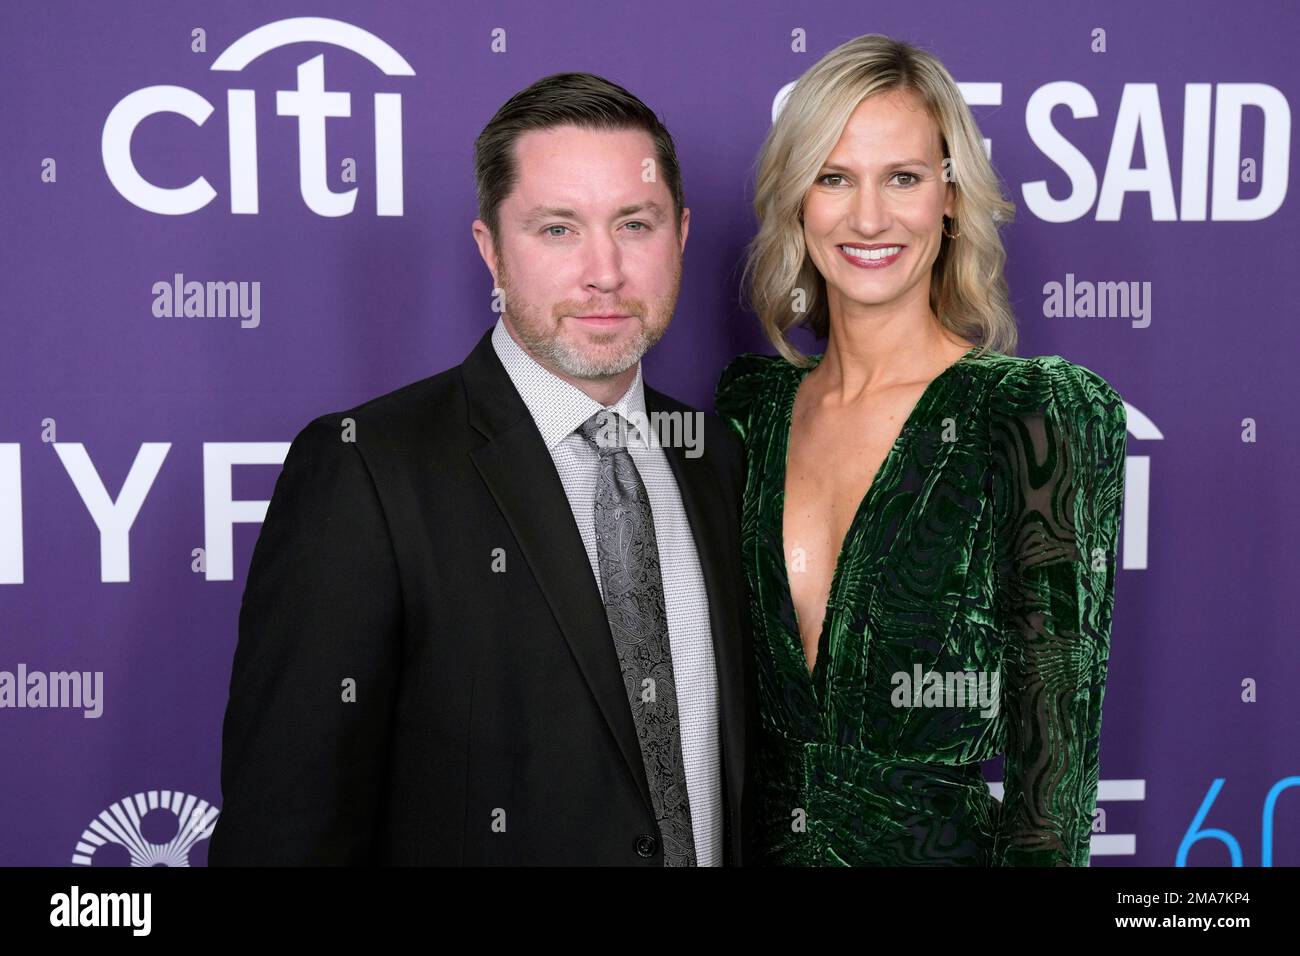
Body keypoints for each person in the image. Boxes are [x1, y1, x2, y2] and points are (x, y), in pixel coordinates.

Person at [209, 73, 752, 866]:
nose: (604, 271)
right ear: (490, 250)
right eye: (557, 230)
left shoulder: (718, 458)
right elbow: (285, 830)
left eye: (635, 224)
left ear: (682, 234)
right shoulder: (365, 470)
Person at [714, 34, 1127, 866]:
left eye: (902, 177)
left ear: (950, 197)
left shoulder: (1031, 414)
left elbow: (1057, 771)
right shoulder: (751, 410)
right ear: (799, 200)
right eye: (834, 177)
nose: (869, 217)